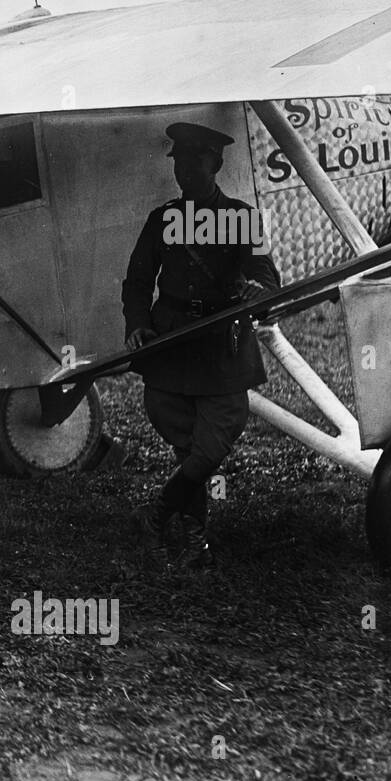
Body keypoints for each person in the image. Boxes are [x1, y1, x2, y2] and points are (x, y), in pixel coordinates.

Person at [122, 121, 281, 570]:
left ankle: (154, 517)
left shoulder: (241, 218)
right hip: (171, 339)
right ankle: (194, 537)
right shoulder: (163, 220)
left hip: (219, 341)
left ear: (216, 163)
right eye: (180, 161)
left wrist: (255, 289)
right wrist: (136, 323)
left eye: (197, 160)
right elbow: (136, 282)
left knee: (213, 442)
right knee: (185, 442)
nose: (186, 170)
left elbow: (268, 279)